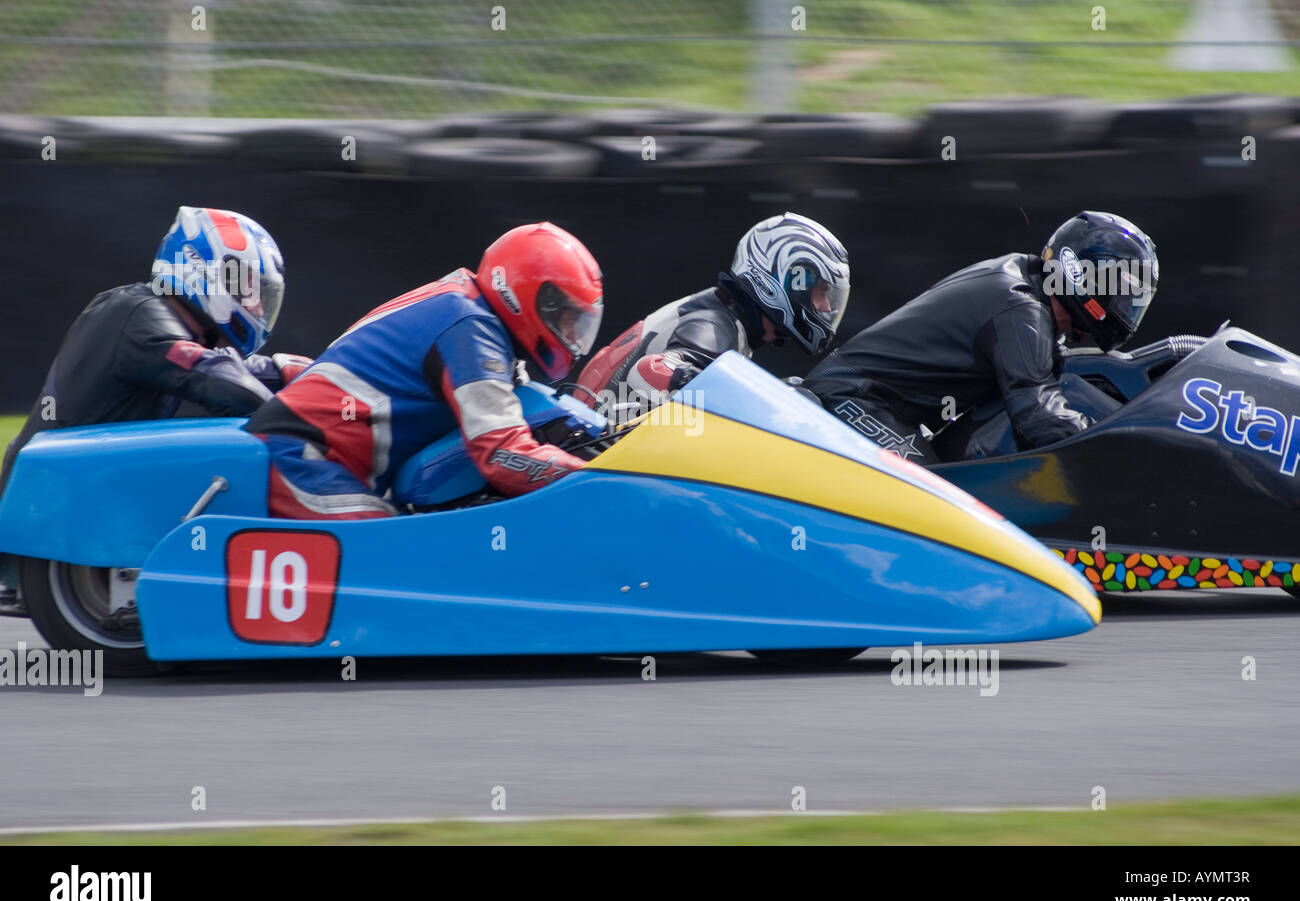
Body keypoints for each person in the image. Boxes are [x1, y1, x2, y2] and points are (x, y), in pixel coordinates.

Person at [244, 221, 604, 519]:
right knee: (397, 556)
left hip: (320, 456)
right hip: (303, 456)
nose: (571, 335)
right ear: (528, 294)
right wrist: (599, 479)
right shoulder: (470, 328)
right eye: (566, 319)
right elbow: (502, 454)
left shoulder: (465, 306)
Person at [0, 205, 307, 496]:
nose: (255, 304)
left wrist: (321, 374)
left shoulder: (175, 330)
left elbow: (256, 373)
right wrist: (308, 428)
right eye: (248, 288)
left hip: (77, 509)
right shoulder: (137, 314)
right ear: (205, 267)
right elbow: (236, 390)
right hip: (42, 521)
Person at [804, 210, 1158, 462]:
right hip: (851, 399)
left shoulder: (1028, 289)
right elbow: (1038, 416)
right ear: (1079, 272)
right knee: (933, 498)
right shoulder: (1022, 309)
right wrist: (1116, 446)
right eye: (1121, 290)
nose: (1125, 306)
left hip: (883, 407)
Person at [574, 212, 850, 421]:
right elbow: (656, 373)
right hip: (602, 465)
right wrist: (769, 398)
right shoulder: (713, 324)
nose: (825, 307)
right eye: (820, 293)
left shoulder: (726, 317)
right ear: (788, 279)